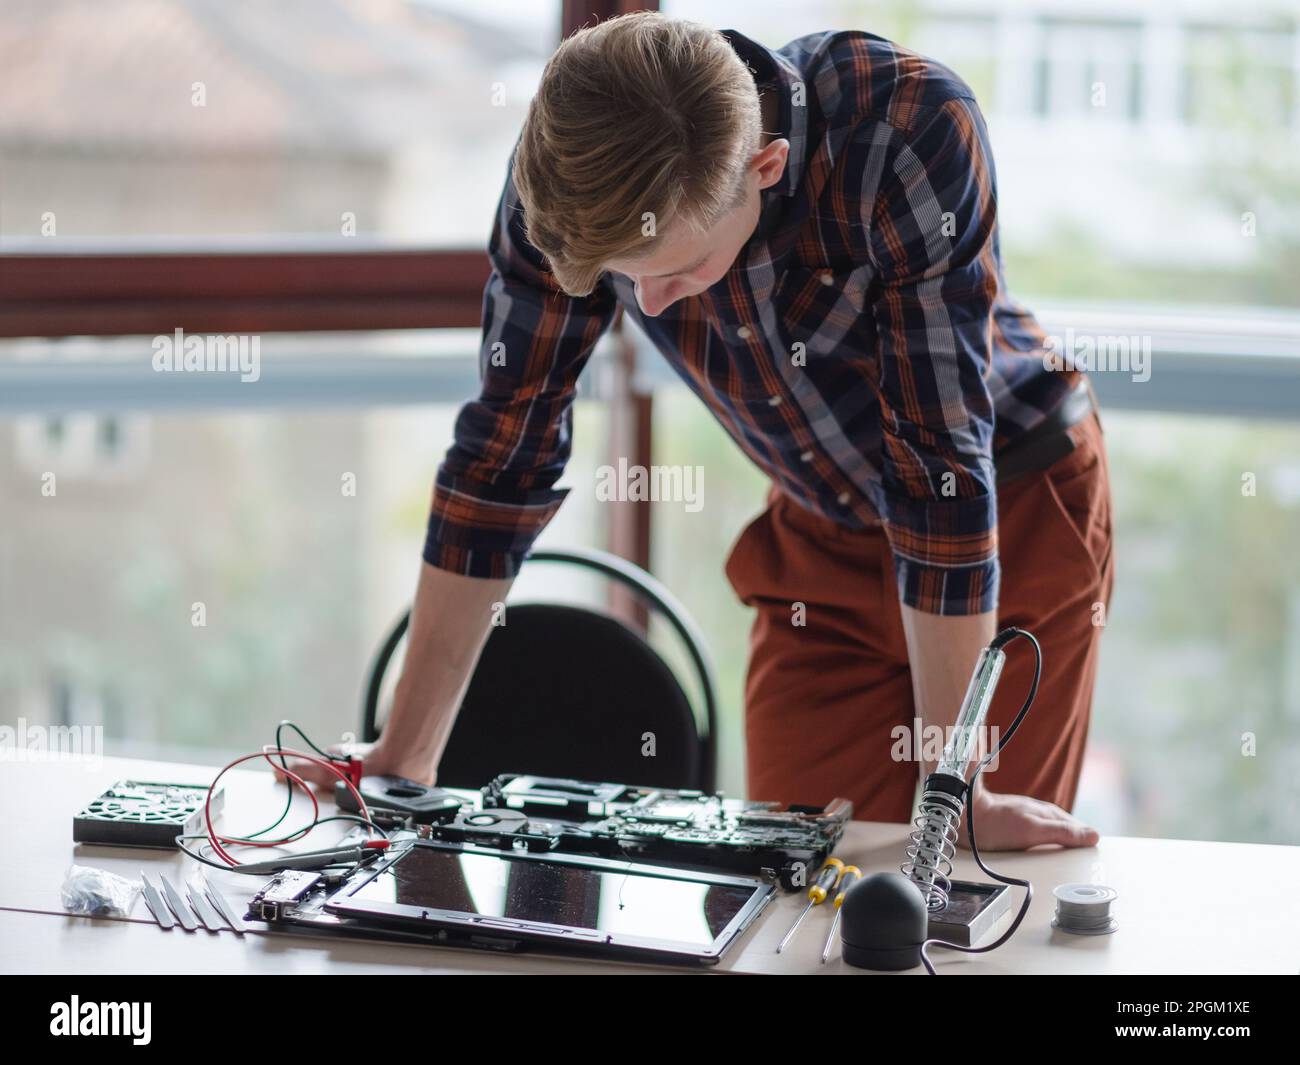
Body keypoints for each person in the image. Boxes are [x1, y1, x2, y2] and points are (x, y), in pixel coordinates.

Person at [292, 13, 1113, 851]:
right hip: (823, 520)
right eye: (626, 280)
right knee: (799, 881)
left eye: (677, 270)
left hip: (1009, 502)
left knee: (957, 881)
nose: (648, 306)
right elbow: (503, 453)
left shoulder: (907, 128)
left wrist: (957, 793)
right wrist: (405, 759)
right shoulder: (573, 175)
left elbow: (937, 472)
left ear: (765, 167)